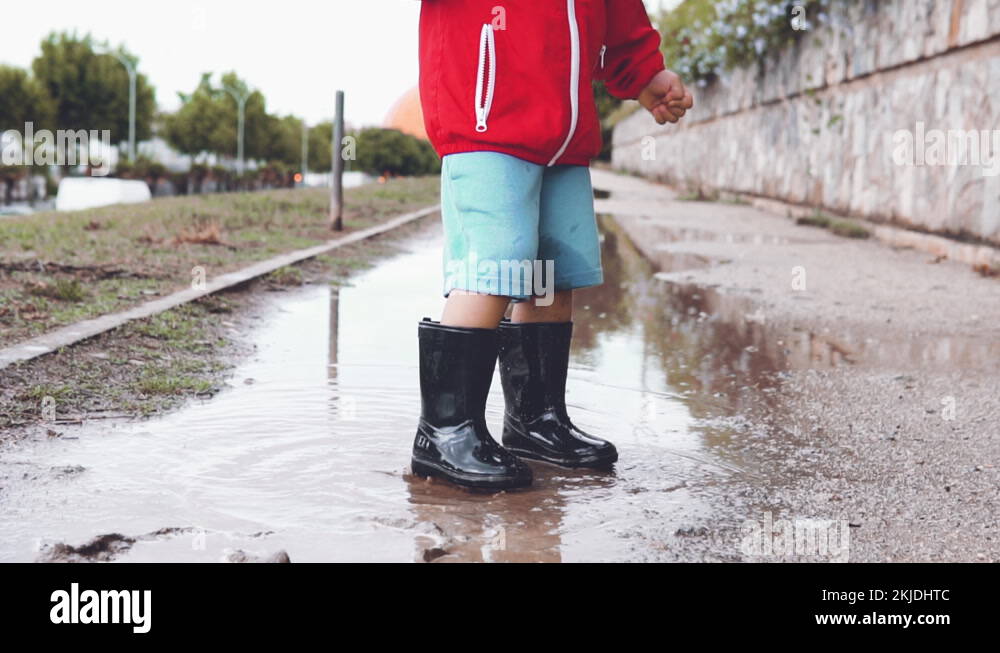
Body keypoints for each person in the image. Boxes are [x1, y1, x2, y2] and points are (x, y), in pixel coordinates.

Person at [411, 0, 693, 490]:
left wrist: (645, 74)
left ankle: (535, 420)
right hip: (487, 124)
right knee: (494, 268)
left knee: (550, 272)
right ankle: (445, 432)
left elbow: (619, 13)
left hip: (564, 137)